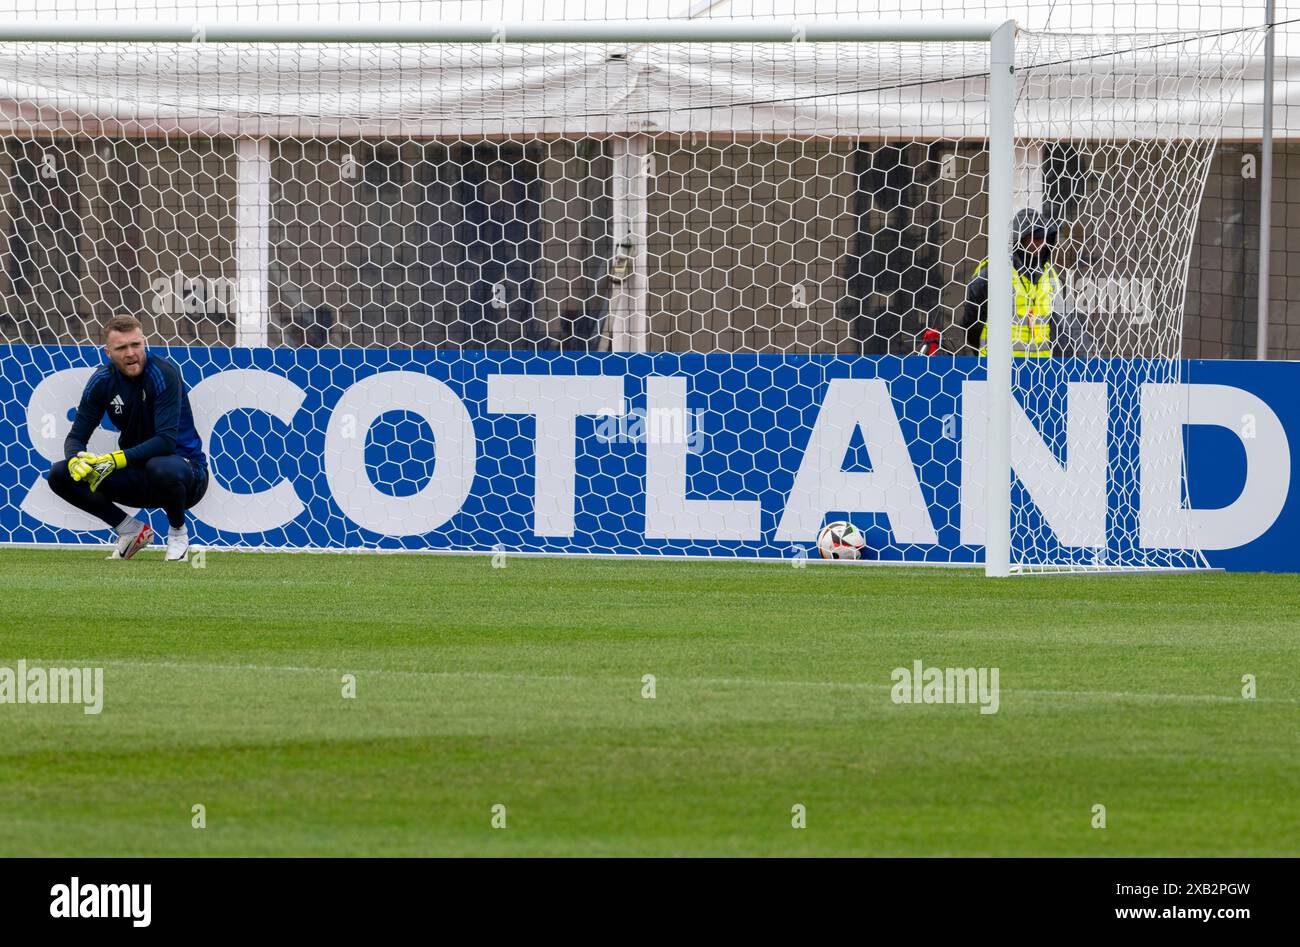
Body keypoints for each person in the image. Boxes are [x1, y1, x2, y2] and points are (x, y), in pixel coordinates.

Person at [47, 314, 209, 561]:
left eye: (136, 344)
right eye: (122, 348)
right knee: (60, 475)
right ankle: (130, 531)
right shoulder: (102, 380)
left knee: (162, 465)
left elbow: (165, 442)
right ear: (108, 352)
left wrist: (114, 460)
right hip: (137, 475)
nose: (131, 353)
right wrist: (74, 460)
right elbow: (76, 437)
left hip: (185, 477)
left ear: (144, 342)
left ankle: (178, 534)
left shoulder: (163, 374)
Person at [960, 208, 1091, 358]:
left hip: (1040, 369)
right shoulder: (992, 273)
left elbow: (1064, 324)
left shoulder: (1050, 274)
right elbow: (971, 323)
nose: (1041, 243)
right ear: (1021, 237)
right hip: (999, 367)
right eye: (1036, 237)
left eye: (1044, 238)